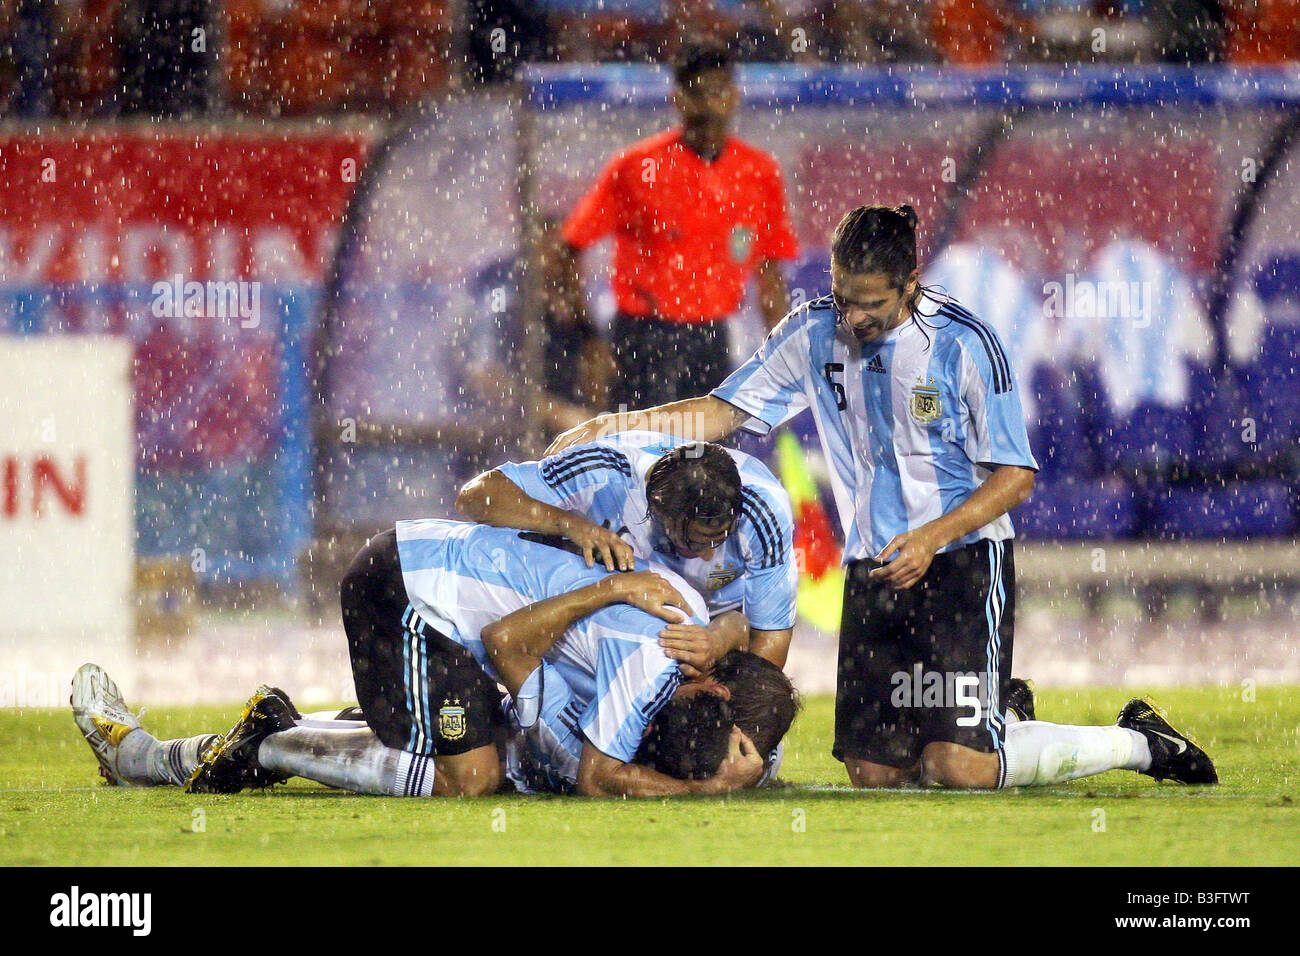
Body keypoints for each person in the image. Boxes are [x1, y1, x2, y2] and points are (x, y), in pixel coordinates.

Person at [547, 203, 1218, 788]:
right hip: (872, 571)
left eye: (871, 302)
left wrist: (931, 537)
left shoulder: (964, 344)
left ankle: (1138, 742)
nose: (855, 315)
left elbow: (1017, 477)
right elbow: (723, 412)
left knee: (959, 770)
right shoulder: (814, 333)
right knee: (878, 774)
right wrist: (617, 425)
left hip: (959, 565)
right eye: (843, 296)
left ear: (911, 284)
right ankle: (998, 711)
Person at [71, 521, 800, 798]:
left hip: (464, 640)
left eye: (749, 760)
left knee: (453, 743)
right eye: (739, 749)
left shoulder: (665, 693)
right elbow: (514, 655)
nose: (742, 770)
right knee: (471, 777)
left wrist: (732, 633)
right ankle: (272, 744)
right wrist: (607, 586)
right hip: (413, 597)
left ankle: (164, 752)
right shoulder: (634, 676)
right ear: (706, 689)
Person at [561, 41, 799, 410]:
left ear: (734, 96)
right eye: (696, 93)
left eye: (717, 92)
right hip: (641, 337)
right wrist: (587, 339)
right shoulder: (637, 167)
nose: (707, 106)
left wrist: (781, 350)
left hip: (712, 335)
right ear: (677, 99)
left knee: (709, 459)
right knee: (640, 458)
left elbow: (769, 269)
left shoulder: (758, 172)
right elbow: (570, 248)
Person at [457, 434, 797, 675]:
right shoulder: (604, 469)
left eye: (720, 539)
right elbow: (477, 497)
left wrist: (720, 646)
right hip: (615, 632)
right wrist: (573, 525)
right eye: (694, 543)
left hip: (717, 641)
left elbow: (770, 642)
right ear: (659, 513)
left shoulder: (764, 510)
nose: (709, 558)